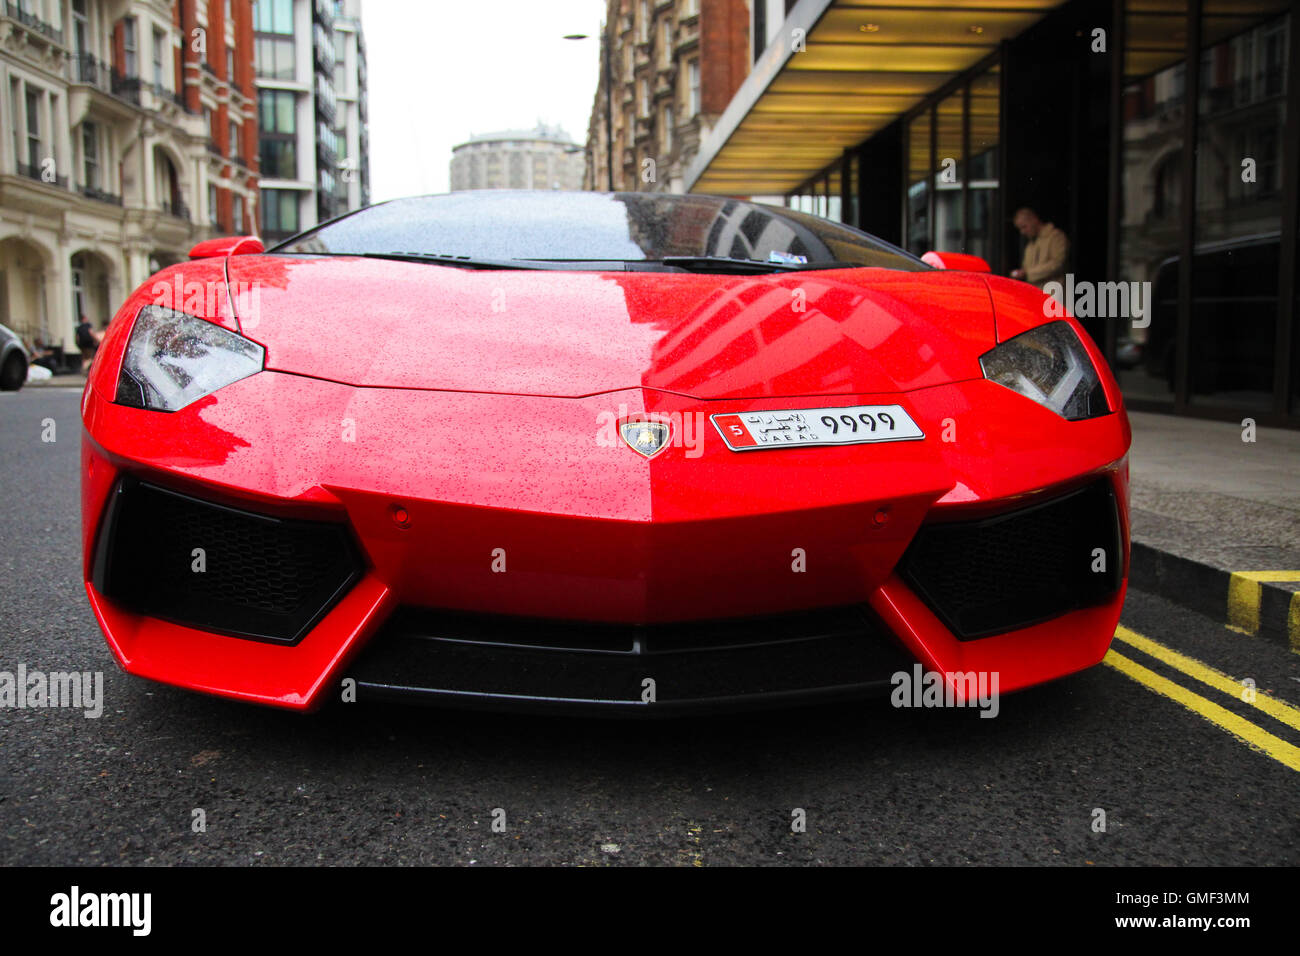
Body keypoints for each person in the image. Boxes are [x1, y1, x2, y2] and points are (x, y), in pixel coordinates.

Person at [1010, 207, 1069, 292]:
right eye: (1020, 229)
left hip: (1054, 295)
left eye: (1024, 227)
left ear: (1034, 220)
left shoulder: (1056, 237)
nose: (1022, 232)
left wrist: (1027, 273)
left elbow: (1057, 263)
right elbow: (1026, 267)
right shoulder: (1030, 245)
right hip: (1036, 295)